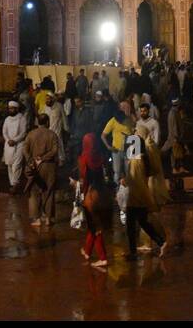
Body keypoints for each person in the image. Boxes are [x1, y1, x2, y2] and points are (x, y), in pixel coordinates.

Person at [120, 129, 168, 259]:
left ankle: (133, 252)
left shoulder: (135, 161)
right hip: (140, 196)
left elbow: (134, 180)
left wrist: (126, 183)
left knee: (131, 225)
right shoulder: (142, 159)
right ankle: (161, 242)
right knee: (143, 222)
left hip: (136, 197)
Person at [72, 133, 109, 269]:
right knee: (93, 225)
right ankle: (87, 251)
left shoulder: (84, 159)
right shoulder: (100, 157)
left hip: (90, 196)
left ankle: (103, 257)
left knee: (95, 227)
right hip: (103, 194)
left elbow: (84, 181)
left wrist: (76, 185)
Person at [23, 113, 60, 227]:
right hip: (49, 166)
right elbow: (55, 151)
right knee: (49, 192)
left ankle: (37, 219)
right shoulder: (52, 134)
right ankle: (48, 218)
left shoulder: (31, 134)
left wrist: (31, 161)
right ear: (48, 122)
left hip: (35, 166)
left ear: (37, 122)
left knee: (34, 192)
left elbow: (25, 150)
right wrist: (43, 158)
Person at [101, 100, 135, 187]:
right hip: (116, 150)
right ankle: (117, 190)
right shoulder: (113, 120)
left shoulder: (130, 119)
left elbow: (135, 134)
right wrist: (109, 147)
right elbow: (103, 135)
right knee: (117, 172)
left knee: (130, 171)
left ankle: (129, 190)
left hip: (128, 150)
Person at [1, 100, 29, 191]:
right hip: (8, 145)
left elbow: (23, 133)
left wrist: (15, 140)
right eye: (9, 108)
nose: (11, 110)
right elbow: (4, 131)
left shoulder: (22, 118)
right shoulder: (7, 119)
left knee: (17, 165)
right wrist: (8, 140)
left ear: (17, 109)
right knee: (9, 164)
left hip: (19, 145)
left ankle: (15, 184)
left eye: (13, 108)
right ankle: (12, 183)